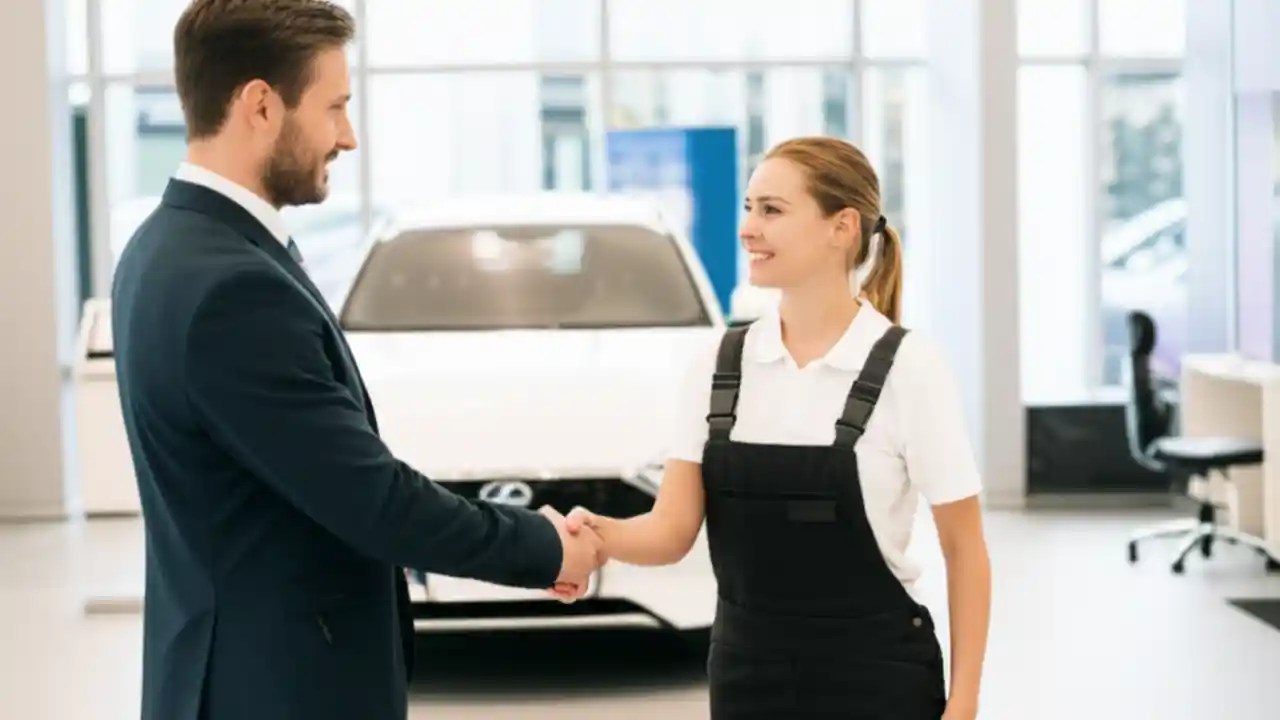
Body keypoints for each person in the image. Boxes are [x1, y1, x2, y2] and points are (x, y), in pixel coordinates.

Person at [110, 2, 602, 719]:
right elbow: (371, 501)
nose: (347, 136)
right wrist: (543, 547)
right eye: (334, 106)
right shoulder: (233, 286)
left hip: (222, 669)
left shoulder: (161, 249)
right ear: (260, 105)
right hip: (280, 687)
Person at [555, 136, 992, 719]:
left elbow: (965, 550)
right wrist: (597, 536)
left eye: (772, 211)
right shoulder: (718, 365)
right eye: (748, 208)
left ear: (842, 227)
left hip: (878, 681)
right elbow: (673, 530)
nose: (748, 229)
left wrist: (963, 704)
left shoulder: (909, 369)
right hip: (748, 681)